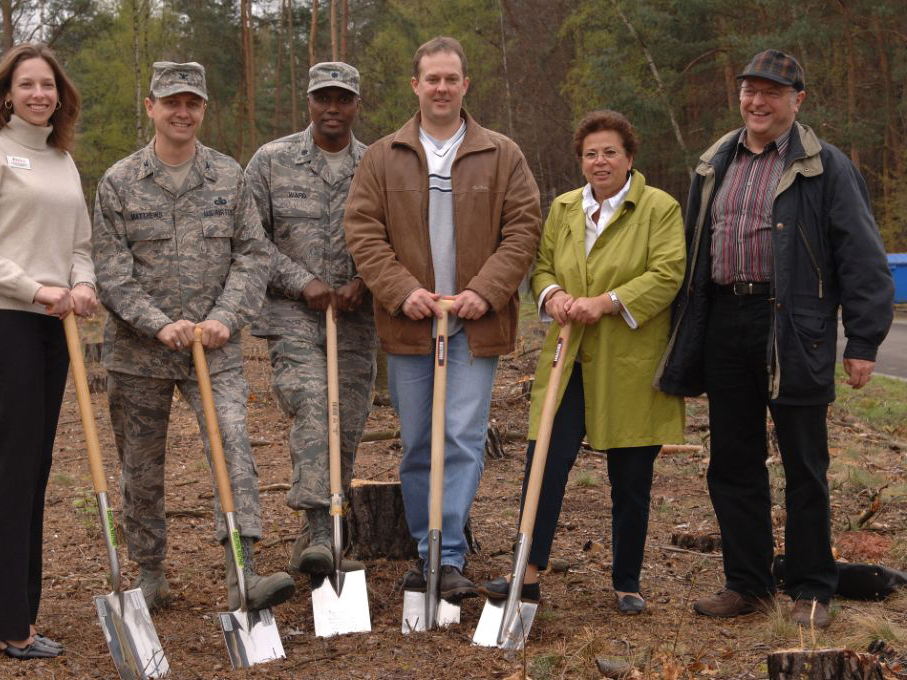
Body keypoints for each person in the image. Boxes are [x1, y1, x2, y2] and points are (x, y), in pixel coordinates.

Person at [656, 49, 895, 628]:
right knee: (733, 462)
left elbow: (863, 260)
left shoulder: (827, 167)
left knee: (804, 464)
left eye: (771, 93)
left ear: (797, 100)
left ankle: (813, 587)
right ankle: (749, 584)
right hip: (724, 324)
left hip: (795, 329)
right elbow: (693, 249)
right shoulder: (715, 161)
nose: (756, 102)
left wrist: (862, 341)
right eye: (749, 91)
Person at [91, 61, 294, 613]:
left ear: (203, 109)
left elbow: (252, 255)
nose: (183, 112)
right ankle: (150, 570)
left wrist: (227, 316)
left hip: (217, 349)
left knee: (233, 447)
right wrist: (158, 323)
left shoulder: (228, 176)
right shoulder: (119, 182)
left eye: (193, 103)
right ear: (152, 107)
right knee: (140, 465)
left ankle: (241, 571)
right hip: (140, 356)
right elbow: (111, 271)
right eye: (172, 102)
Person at [344, 36, 542, 599]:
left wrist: (486, 289)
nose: (441, 87)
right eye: (431, 78)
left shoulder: (502, 154)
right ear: (416, 85)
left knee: (460, 436)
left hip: (474, 325)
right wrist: (401, 290)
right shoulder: (383, 156)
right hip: (411, 324)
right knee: (416, 443)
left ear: (465, 85)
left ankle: (445, 557)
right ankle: (426, 548)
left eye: (450, 78)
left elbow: (524, 227)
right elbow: (363, 231)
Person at [481, 110, 686, 613]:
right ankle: (527, 570)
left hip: (630, 360)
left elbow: (668, 273)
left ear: (629, 157)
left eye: (610, 151)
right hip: (567, 356)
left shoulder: (659, 208)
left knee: (631, 476)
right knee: (544, 461)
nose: (600, 161)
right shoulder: (564, 208)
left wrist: (608, 302)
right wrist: (551, 295)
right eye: (591, 153)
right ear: (581, 160)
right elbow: (543, 266)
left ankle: (627, 581)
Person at [0, 43, 97, 659]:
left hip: (53, 325)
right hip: (8, 321)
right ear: (6, 93)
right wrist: (36, 288)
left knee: (35, 467)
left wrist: (82, 283)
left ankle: (17, 613)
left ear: (60, 96)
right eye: (27, 85)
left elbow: (81, 243)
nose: (40, 94)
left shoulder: (62, 159)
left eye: (49, 86)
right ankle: (3, 621)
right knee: (15, 466)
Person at [244, 62, 376, 575]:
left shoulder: (377, 164)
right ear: (308, 101)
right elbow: (252, 240)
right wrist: (305, 283)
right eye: (323, 98)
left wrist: (364, 282)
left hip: (357, 319)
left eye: (342, 99)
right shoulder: (271, 161)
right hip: (292, 316)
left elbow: (394, 237)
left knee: (348, 420)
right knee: (315, 406)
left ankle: (324, 526)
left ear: (355, 105)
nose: (332, 108)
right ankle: (322, 527)